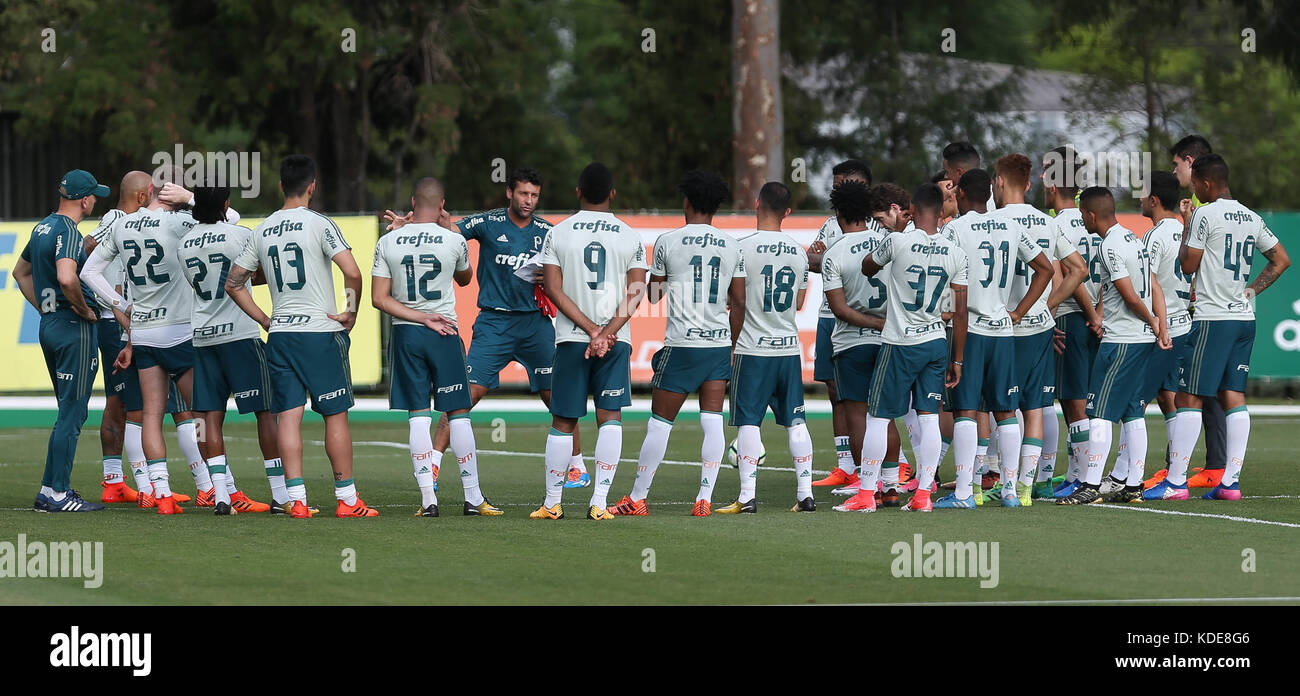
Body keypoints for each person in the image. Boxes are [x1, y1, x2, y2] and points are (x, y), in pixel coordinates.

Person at [387, 167, 594, 489]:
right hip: (494, 323)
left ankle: (578, 468)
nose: (529, 201)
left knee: (558, 395)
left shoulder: (547, 230)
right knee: (462, 395)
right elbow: (450, 231)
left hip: (535, 323)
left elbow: (569, 269)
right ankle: (435, 465)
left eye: (535, 195)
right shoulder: (488, 222)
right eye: (523, 193)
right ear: (509, 192)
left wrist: (552, 276)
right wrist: (412, 227)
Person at [225, 154, 375, 518]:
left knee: (288, 417)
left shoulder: (262, 228)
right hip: (319, 332)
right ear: (312, 186)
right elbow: (352, 273)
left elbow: (234, 282)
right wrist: (350, 311)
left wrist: (264, 318)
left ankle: (297, 500)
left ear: (280, 186)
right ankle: (347, 499)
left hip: (282, 334)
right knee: (335, 415)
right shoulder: (319, 223)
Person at [1147, 154, 1290, 501]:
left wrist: (1187, 221)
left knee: (1188, 396)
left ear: (1206, 183)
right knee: (1233, 395)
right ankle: (1230, 483)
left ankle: (1177, 482)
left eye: (1195, 184)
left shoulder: (1204, 214)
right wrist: (1252, 290)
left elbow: (1188, 264)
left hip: (1212, 318)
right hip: (1244, 318)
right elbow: (1281, 259)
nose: (1193, 190)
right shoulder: (1252, 216)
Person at [605, 171, 743, 517]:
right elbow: (739, 302)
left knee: (660, 423)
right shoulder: (731, 244)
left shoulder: (668, 240)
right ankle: (705, 498)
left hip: (682, 345)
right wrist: (732, 343)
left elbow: (652, 294)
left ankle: (638, 497)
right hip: (717, 345)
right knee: (712, 420)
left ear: (687, 202)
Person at [81, 172, 211, 515]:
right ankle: (217, 488)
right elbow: (227, 218)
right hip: (179, 330)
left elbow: (87, 272)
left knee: (149, 416)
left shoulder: (123, 225)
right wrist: (192, 199)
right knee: (202, 408)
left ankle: (162, 495)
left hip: (142, 333)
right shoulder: (179, 223)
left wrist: (122, 305)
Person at [372, 177, 501, 518]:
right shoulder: (453, 240)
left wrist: (417, 316)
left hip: (406, 334)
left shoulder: (389, 240)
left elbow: (377, 299)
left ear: (413, 202)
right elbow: (464, 278)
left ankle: (428, 500)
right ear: (442, 204)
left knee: (418, 415)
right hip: (444, 330)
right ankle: (472, 498)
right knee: (458, 413)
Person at [530, 162, 648, 521]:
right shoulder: (629, 235)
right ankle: (598, 503)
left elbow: (552, 287)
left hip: (570, 339)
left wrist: (590, 331)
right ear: (612, 194)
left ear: (578, 192)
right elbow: (637, 289)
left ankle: (552, 504)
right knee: (609, 416)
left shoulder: (559, 233)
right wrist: (607, 332)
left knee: (563, 420)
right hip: (616, 341)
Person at [934, 168, 1052, 509]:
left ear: (959, 194)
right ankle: (1012, 491)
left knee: (967, 411)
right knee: (1005, 411)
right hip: (1003, 328)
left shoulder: (955, 229)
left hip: (969, 329)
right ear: (988, 192)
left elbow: (947, 277)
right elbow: (1044, 269)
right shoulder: (1011, 226)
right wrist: (1019, 312)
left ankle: (964, 494)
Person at [851, 182, 969, 513]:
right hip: (936, 341)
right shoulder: (955, 253)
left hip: (900, 341)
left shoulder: (898, 241)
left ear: (912, 211)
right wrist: (957, 360)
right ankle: (922, 496)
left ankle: (865, 493)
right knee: (929, 418)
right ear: (941, 210)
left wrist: (899, 232)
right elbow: (960, 313)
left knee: (877, 417)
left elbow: (867, 267)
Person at [1058, 187, 1172, 505]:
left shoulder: (1109, 245)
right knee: (1132, 413)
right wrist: (1159, 325)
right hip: (1141, 340)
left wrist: (1152, 321)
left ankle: (1091, 485)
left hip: (1121, 341)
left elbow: (1130, 295)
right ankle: (1133, 485)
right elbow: (1154, 285)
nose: (1082, 218)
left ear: (1092, 215)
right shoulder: (1133, 239)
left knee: (1100, 413)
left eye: (1084, 214)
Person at [176, 185, 284, 515]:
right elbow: (253, 275)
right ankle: (281, 494)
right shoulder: (239, 235)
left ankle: (221, 495)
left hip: (203, 335)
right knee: (265, 411)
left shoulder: (183, 244)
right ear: (225, 205)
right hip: (240, 333)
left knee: (207, 418)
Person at [989, 154, 1088, 501]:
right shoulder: (1047, 223)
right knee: (1035, 406)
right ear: (1029, 184)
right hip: (1040, 328)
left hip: (1001, 328)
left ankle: (1002, 484)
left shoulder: (991, 221)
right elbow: (1078, 271)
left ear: (999, 182)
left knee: (1002, 408)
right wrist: (1046, 306)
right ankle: (1027, 488)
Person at [12, 170, 107, 512]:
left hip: (51, 325)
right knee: (73, 412)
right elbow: (68, 277)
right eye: (94, 195)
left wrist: (45, 307)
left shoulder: (43, 226)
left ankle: (48, 490)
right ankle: (59, 493)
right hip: (72, 328)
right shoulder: (67, 230)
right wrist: (84, 310)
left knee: (66, 410)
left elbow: (19, 273)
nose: (95, 200)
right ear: (83, 200)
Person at [717, 181, 815, 514]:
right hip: (787, 349)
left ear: (757, 204)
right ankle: (805, 494)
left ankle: (747, 496)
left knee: (748, 421)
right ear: (788, 212)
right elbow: (800, 301)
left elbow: (735, 301)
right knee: (796, 421)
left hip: (752, 349)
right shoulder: (799, 251)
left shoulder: (740, 248)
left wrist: (731, 345)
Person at [1092, 172, 1188, 498]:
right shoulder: (1185, 233)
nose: (1140, 200)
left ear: (1154, 200)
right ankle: (1170, 474)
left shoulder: (1153, 238)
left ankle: (1124, 476)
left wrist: (1155, 323)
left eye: (1143, 195)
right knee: (1166, 398)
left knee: (1133, 403)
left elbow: (1143, 289)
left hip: (1154, 330)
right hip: (1180, 325)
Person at [1144, 134, 1229, 490]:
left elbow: (1192, 263)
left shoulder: (1202, 206)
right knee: (1196, 391)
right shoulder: (1193, 208)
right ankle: (1200, 466)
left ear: (1191, 164)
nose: (1175, 170)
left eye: (1178, 163)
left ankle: (1210, 466)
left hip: (1208, 310)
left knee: (1200, 391)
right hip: (1201, 309)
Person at [815, 181, 899, 511]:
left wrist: (872, 322)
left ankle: (868, 490)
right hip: (890, 341)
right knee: (887, 417)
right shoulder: (887, 242)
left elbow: (839, 310)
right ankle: (891, 488)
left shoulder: (834, 254)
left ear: (837, 213)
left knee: (859, 418)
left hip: (851, 344)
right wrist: (885, 323)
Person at [807, 159, 872, 489]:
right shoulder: (831, 223)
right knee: (836, 392)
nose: (835, 188)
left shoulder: (877, 224)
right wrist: (822, 258)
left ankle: (888, 468)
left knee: (866, 399)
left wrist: (827, 257)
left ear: (860, 183)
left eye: (842, 182)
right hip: (829, 315)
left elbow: (827, 259)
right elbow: (812, 258)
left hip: (857, 318)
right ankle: (846, 465)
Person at [1042, 146, 1102, 499]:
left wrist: (1088, 313)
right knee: (1090, 401)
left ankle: (1082, 477)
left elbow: (1069, 274)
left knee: (1074, 401)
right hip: (1101, 319)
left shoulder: (1056, 224)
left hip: (1074, 318)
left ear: (1053, 184)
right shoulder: (1096, 217)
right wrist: (1102, 312)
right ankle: (1079, 472)